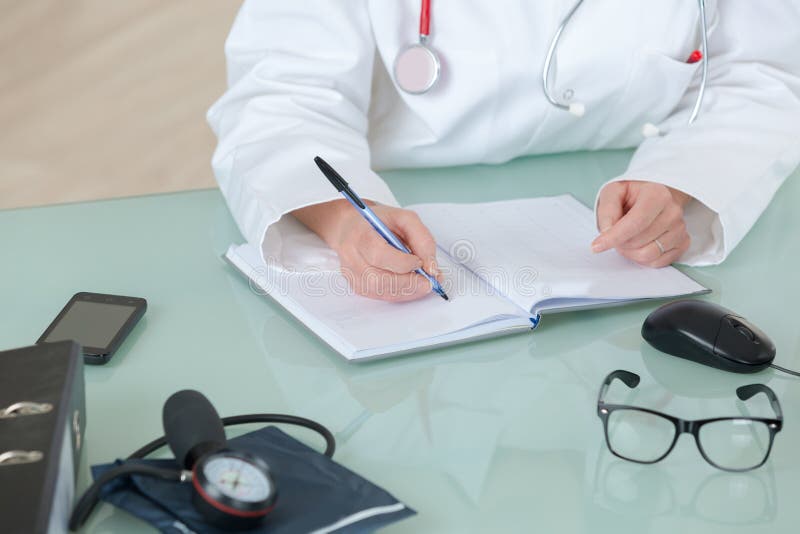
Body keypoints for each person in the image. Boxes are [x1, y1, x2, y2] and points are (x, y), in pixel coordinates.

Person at [208, 1, 800, 302]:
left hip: (623, 208)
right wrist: (345, 220)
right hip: (405, 197)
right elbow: (282, 97)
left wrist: (677, 184)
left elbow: (762, 75)